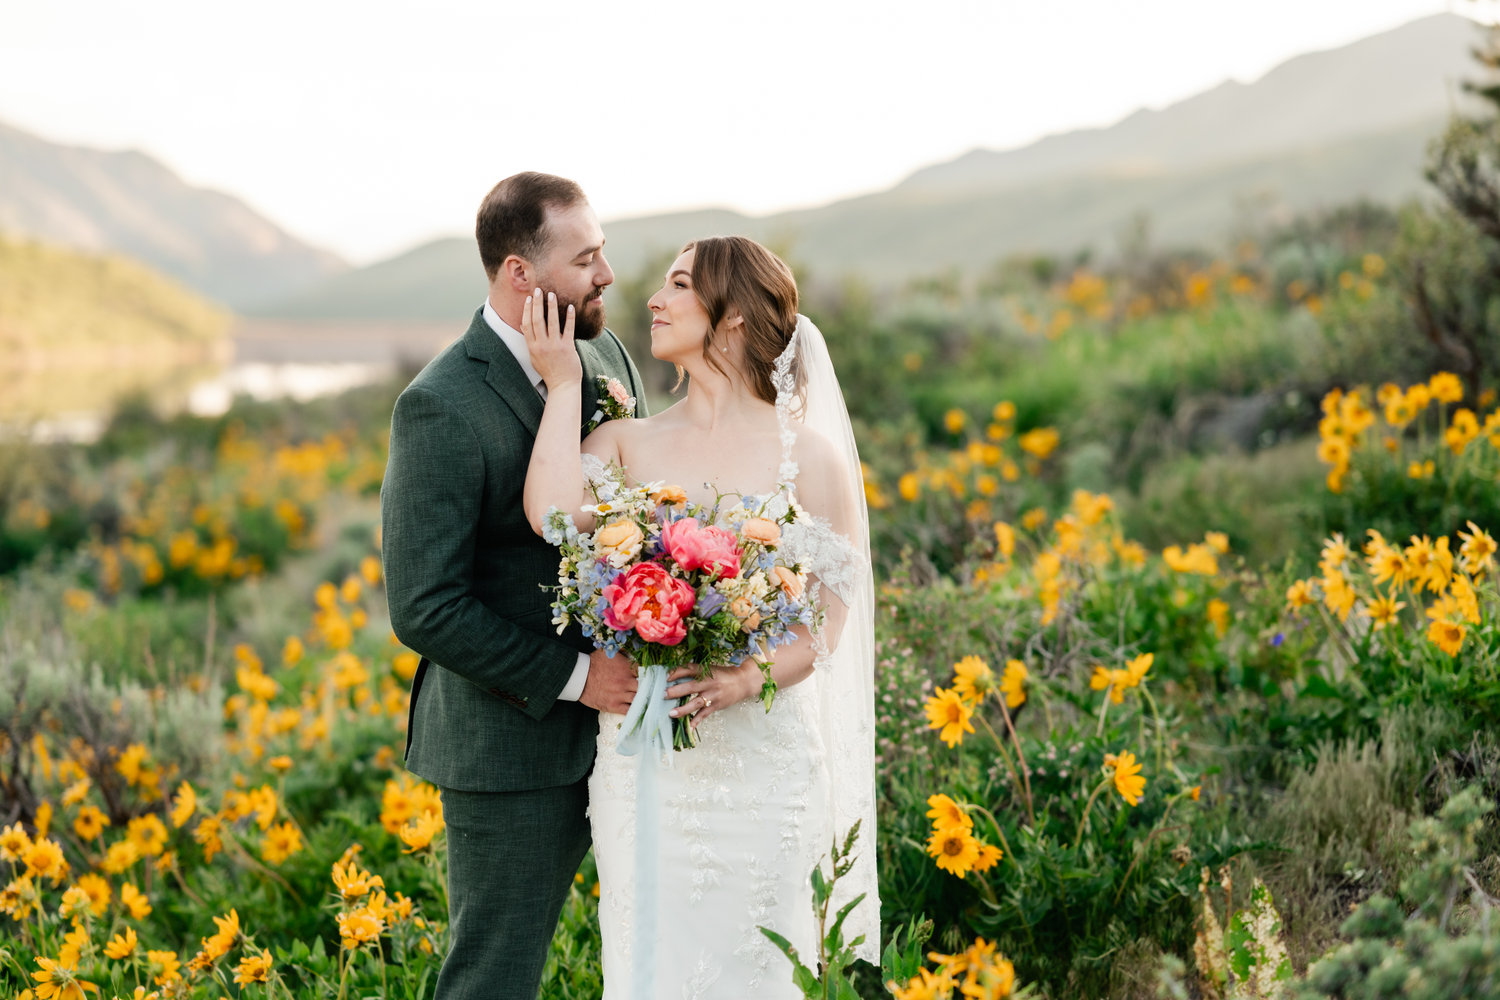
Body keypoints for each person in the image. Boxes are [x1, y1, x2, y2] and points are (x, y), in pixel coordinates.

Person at [521, 235, 878, 997]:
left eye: (679, 284)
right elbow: (553, 516)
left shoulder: (809, 457)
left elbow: (828, 624)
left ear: (735, 317)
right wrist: (559, 386)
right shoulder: (625, 440)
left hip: (762, 765)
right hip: (646, 771)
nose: (653, 299)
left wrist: (743, 679)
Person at [380, 172, 649, 1000]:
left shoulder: (602, 353)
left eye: (603, 250)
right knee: (494, 977)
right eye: (587, 257)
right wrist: (578, 679)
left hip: (639, 732)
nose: (606, 274)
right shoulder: (440, 406)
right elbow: (425, 606)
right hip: (511, 751)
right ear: (519, 275)